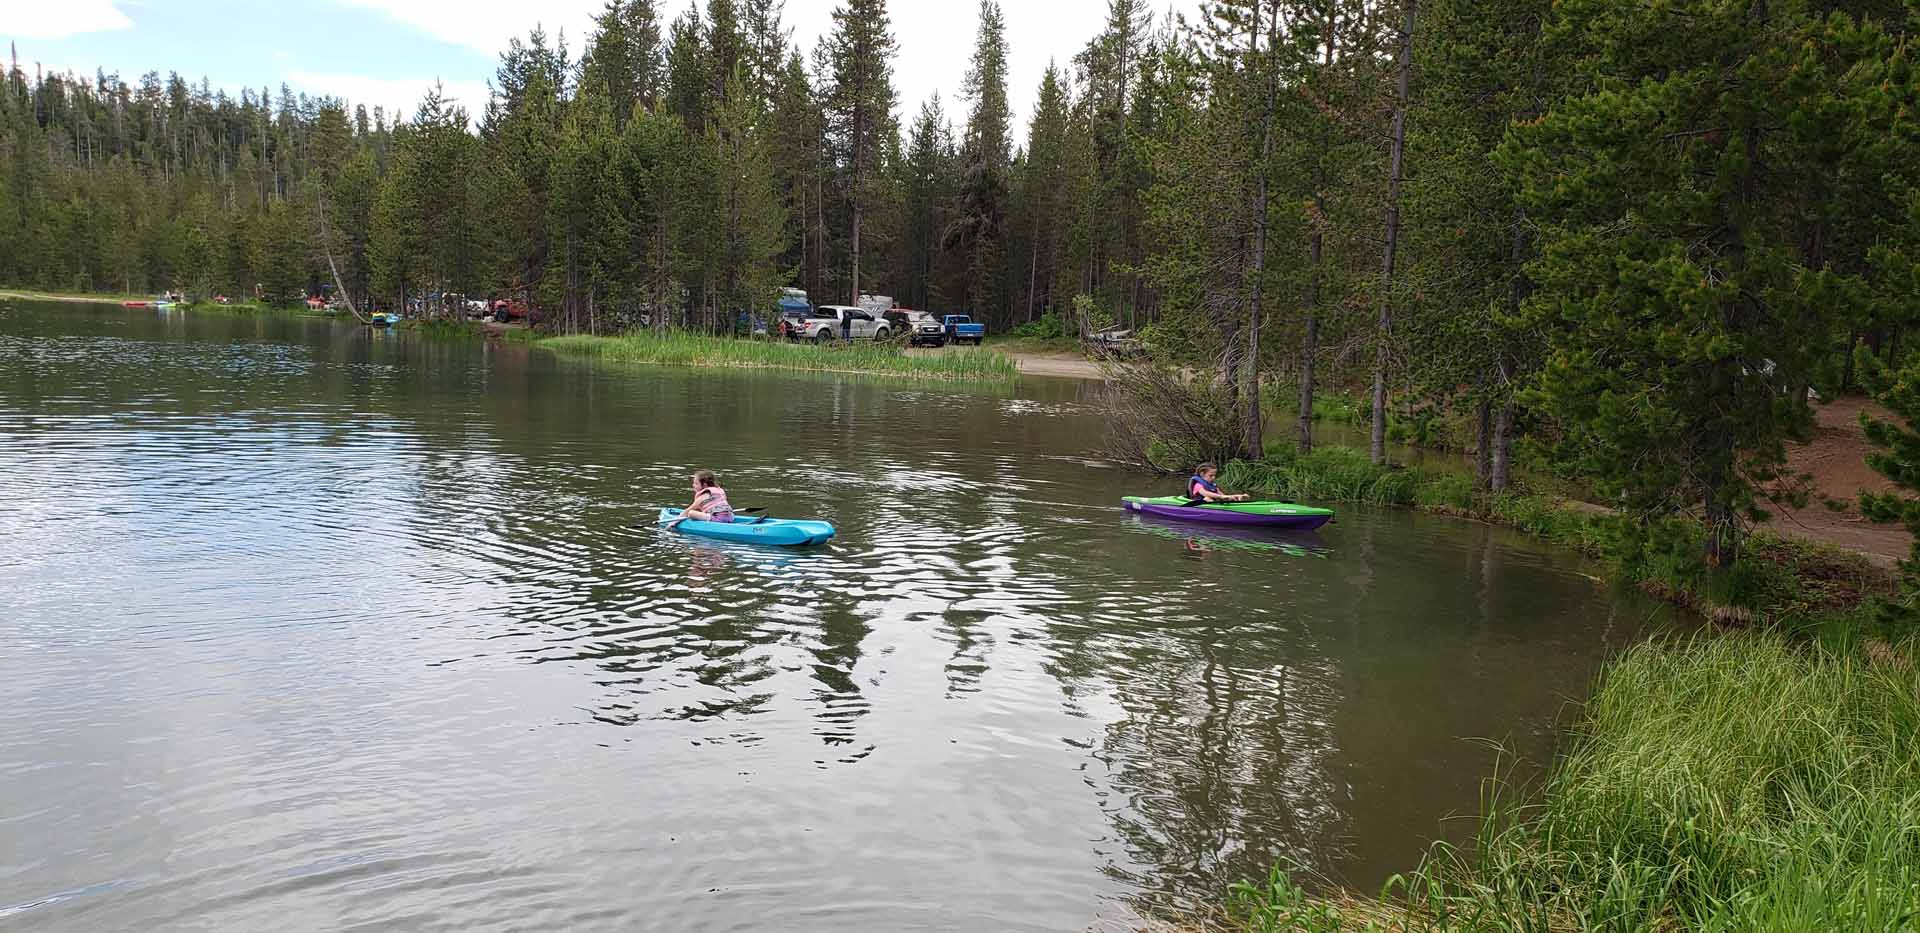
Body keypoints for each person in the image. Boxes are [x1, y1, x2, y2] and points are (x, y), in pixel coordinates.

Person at [669, 470, 736, 527]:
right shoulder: (719, 490)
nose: (693, 485)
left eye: (696, 483)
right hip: (730, 517)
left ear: (704, 485)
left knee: (691, 513)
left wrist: (673, 522)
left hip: (718, 519)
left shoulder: (703, 496)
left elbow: (687, 511)